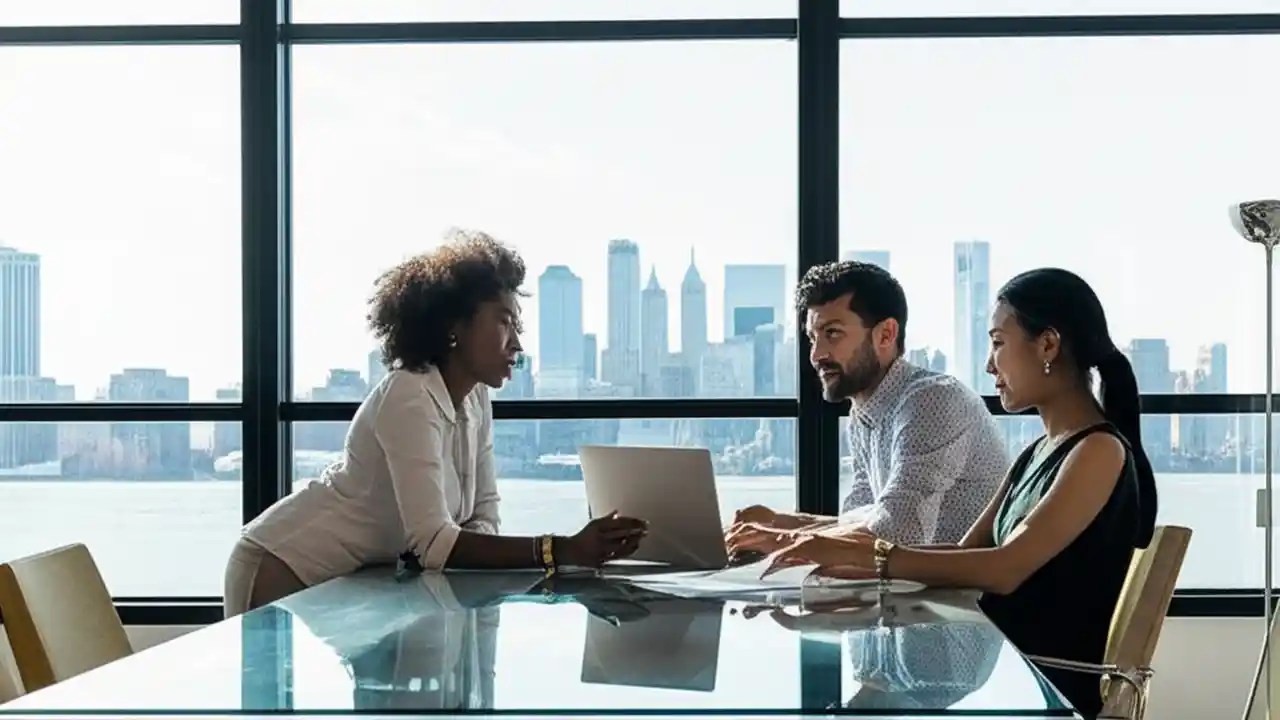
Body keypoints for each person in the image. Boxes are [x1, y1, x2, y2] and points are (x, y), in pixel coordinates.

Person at [761, 268, 1157, 719]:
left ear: (1048, 345)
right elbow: (964, 553)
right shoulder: (1036, 454)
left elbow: (1004, 569)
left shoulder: (1098, 451)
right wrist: (843, 576)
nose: (990, 365)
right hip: (1016, 681)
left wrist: (872, 559)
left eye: (998, 343)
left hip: (1047, 693)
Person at [224, 229, 647, 617]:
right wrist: (564, 548)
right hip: (282, 566)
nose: (516, 342)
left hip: (359, 582)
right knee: (274, 700)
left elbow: (483, 518)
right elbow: (436, 545)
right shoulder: (409, 395)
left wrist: (467, 542)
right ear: (453, 326)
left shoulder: (477, 398)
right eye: (503, 321)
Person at [727, 260, 1007, 556]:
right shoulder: (864, 413)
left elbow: (898, 533)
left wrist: (781, 537)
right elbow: (860, 520)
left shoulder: (932, 400)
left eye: (832, 333)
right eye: (813, 337)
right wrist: (776, 522)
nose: (817, 354)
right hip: (912, 591)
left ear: (886, 334)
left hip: (963, 597)